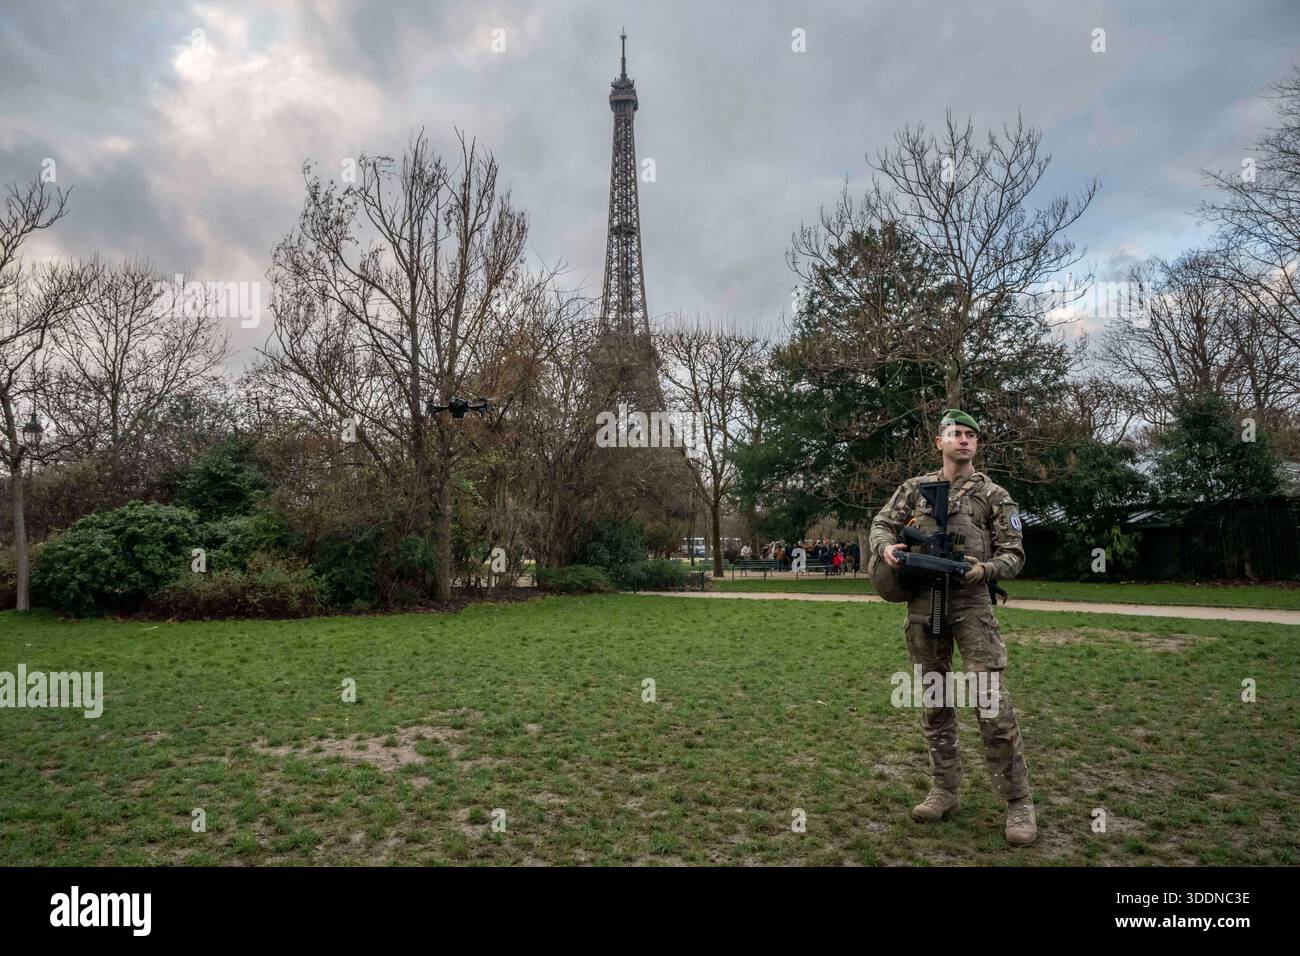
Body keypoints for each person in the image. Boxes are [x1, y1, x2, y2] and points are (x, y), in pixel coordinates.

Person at [867, 409, 1036, 847]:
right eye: (953, 434)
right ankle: (944, 790)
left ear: (976, 445)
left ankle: (1018, 802)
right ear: (939, 442)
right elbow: (881, 524)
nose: (961, 440)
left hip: (971, 605)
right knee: (935, 703)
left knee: (992, 707)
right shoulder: (915, 490)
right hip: (924, 604)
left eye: (969, 435)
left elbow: (1014, 555)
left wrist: (985, 569)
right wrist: (887, 548)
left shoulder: (994, 496)